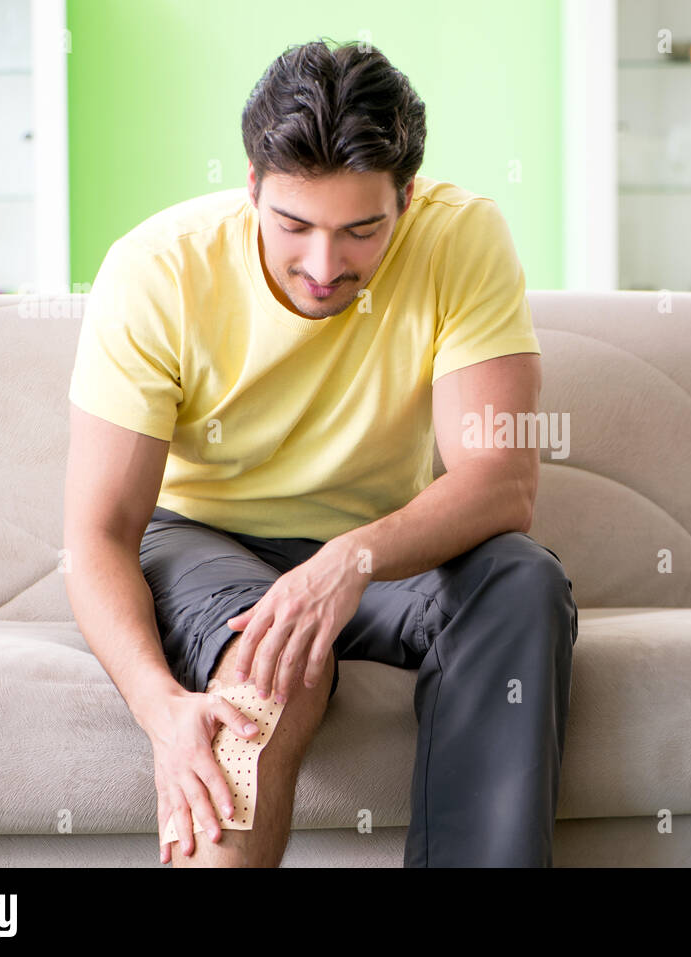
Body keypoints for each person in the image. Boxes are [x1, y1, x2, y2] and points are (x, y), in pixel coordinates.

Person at [62, 37, 577, 868]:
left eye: (361, 231)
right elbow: (99, 534)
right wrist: (162, 709)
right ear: (253, 186)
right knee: (274, 661)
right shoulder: (156, 270)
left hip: (378, 547)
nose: (323, 265)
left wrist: (352, 559)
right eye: (293, 225)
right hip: (203, 535)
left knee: (521, 578)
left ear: (406, 198)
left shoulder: (463, 236)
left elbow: (501, 483)